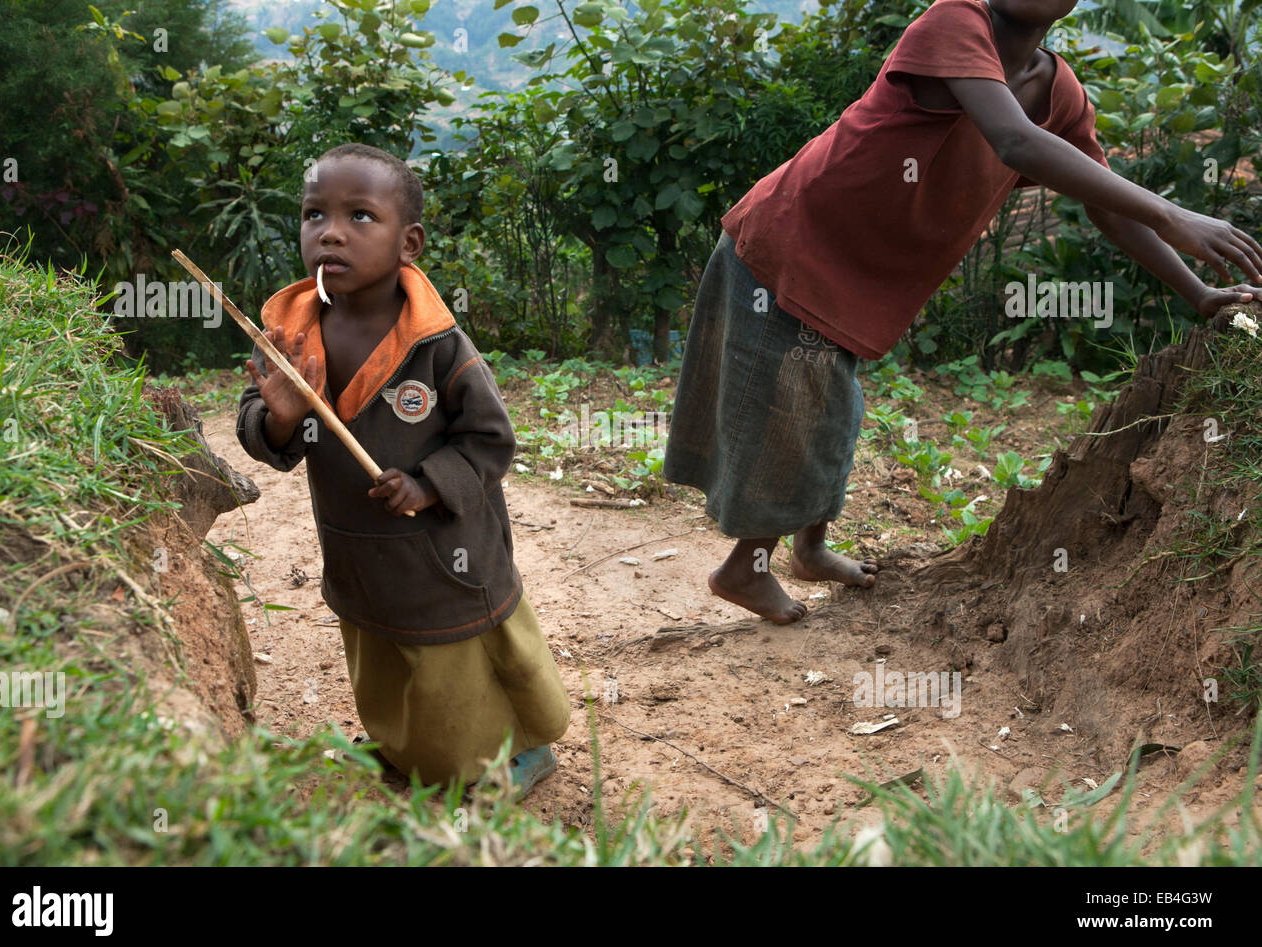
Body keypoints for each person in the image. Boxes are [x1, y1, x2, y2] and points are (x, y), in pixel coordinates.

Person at [664, 0, 1262, 624]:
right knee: (799, 411)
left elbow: (1106, 207)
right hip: (798, 240)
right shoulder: (954, 23)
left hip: (862, 276)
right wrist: (1173, 213)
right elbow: (1014, 141)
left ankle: (809, 550)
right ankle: (746, 568)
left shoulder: (1059, 93)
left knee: (833, 412)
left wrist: (1197, 292)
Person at [236, 143, 570, 793]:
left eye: (360, 216)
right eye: (314, 215)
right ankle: (403, 747)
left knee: (457, 666)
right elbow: (259, 427)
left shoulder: (439, 344)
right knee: (383, 659)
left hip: (447, 553)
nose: (330, 231)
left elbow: (490, 440)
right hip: (359, 550)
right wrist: (279, 417)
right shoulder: (291, 333)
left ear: (408, 242)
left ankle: (516, 753)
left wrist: (426, 484)